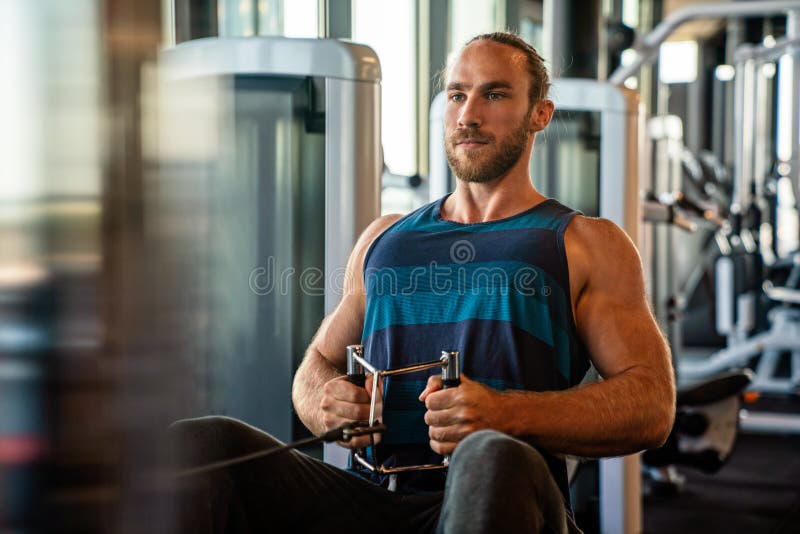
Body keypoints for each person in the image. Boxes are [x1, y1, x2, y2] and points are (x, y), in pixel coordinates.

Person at [170, 32, 675, 534]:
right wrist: (328, 402)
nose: (468, 114)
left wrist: (505, 413)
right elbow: (316, 365)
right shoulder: (385, 238)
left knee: (490, 456)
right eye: (457, 95)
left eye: (494, 94)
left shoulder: (584, 242)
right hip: (373, 501)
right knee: (203, 446)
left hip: (501, 496)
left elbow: (652, 405)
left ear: (539, 114)